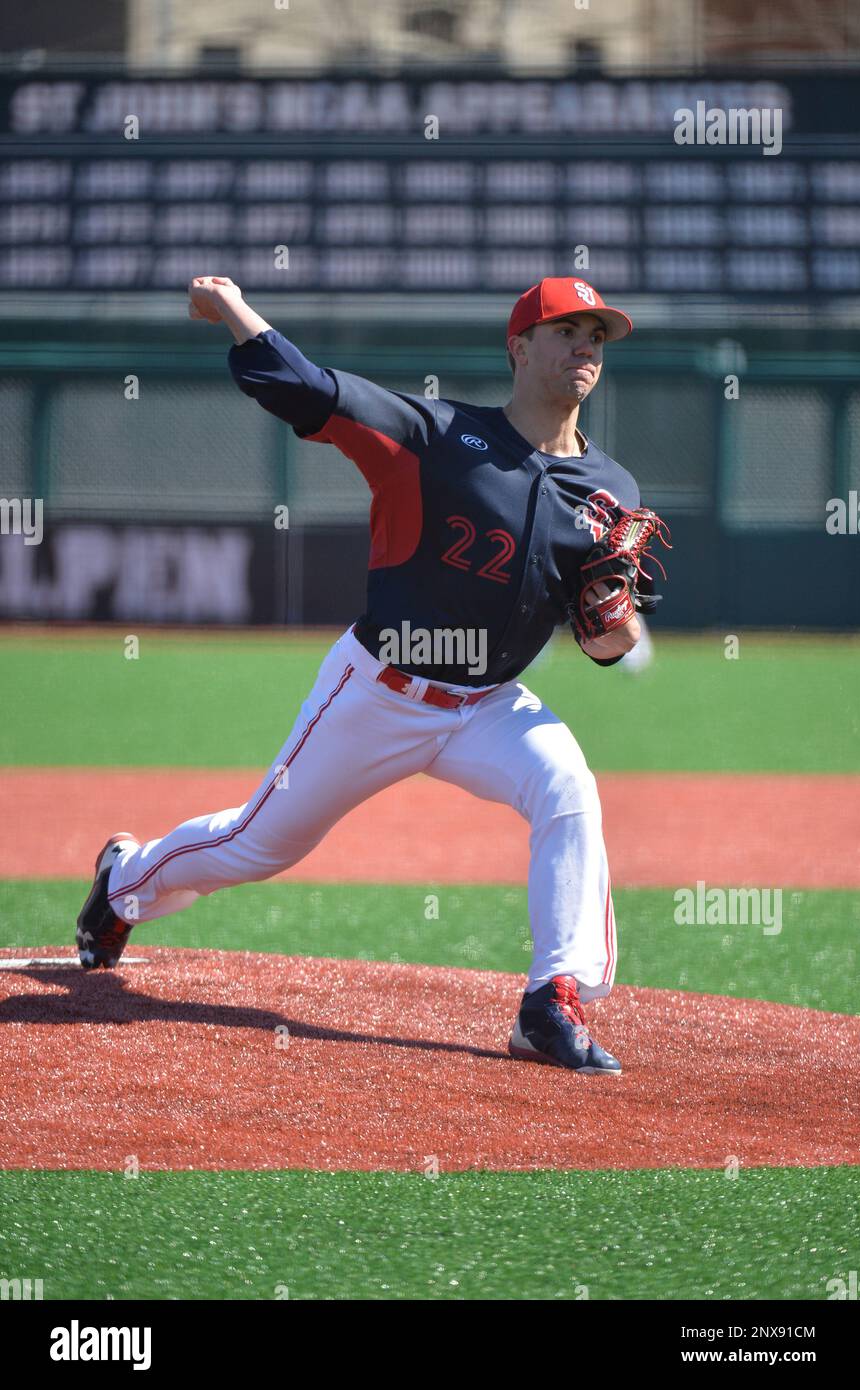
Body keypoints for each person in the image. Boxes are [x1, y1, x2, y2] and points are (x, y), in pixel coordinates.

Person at [77, 275, 648, 1075]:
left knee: (569, 789)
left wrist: (612, 619)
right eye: (566, 330)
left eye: (597, 335)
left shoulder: (611, 492)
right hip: (380, 691)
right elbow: (308, 392)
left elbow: (606, 646)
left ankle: (553, 1000)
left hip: (488, 704)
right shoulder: (437, 434)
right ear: (519, 348)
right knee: (256, 844)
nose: (586, 345)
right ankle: (124, 883)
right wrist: (234, 308)